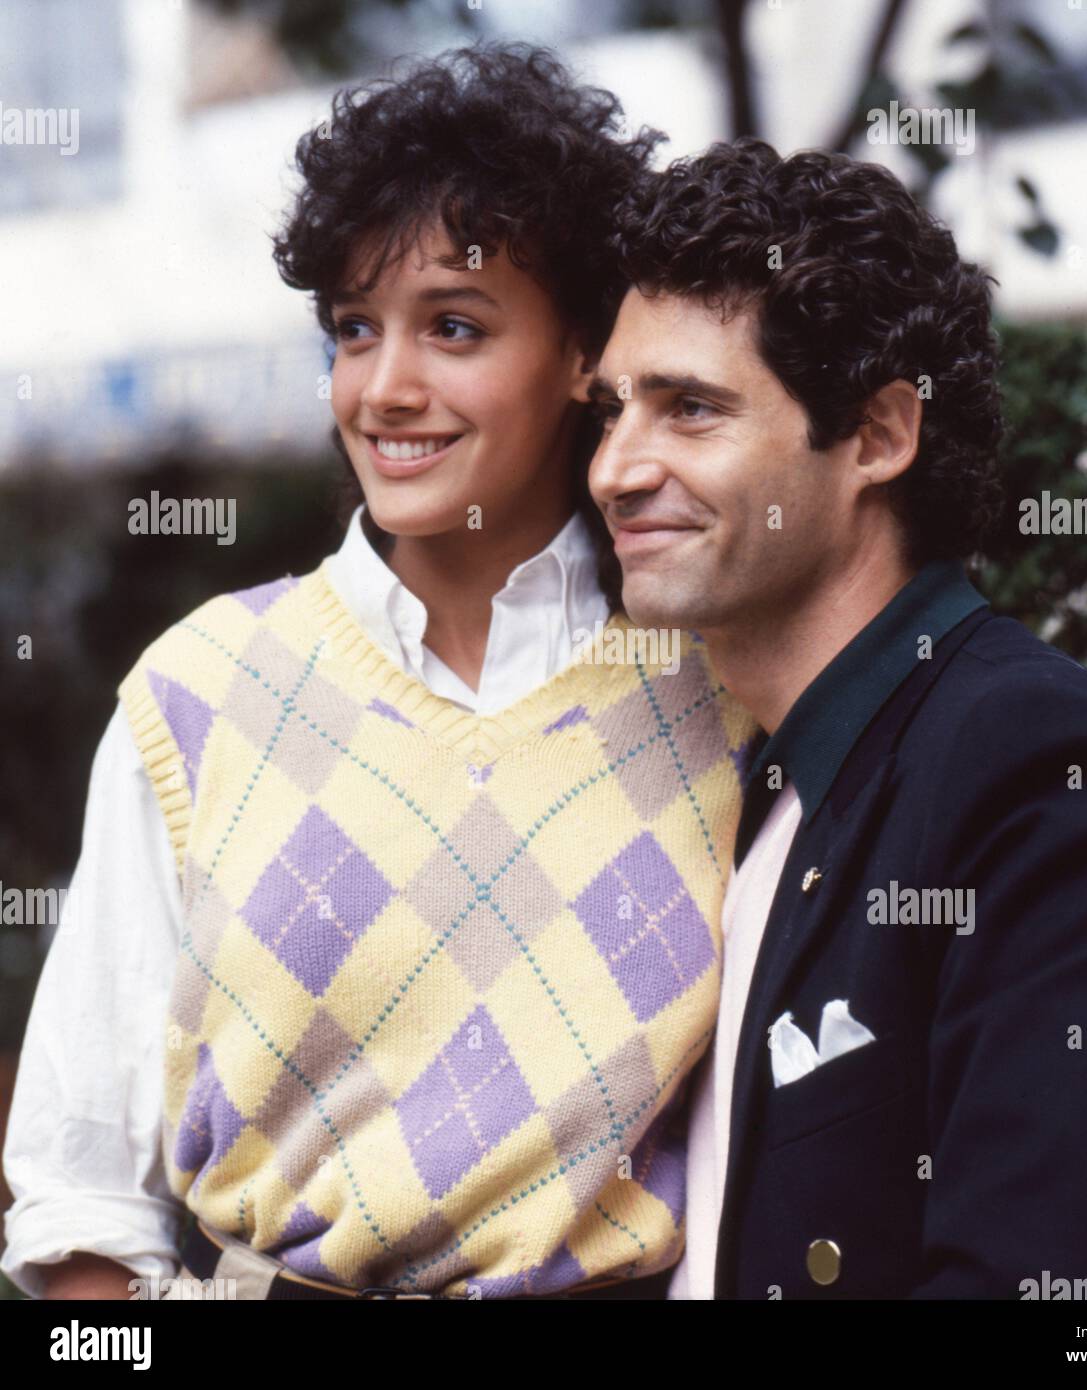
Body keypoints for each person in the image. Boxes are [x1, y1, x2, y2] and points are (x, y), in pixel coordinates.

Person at [1, 45, 755, 1301]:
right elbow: (72, 1195)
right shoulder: (197, 694)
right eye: (356, 328)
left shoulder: (719, 695)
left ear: (583, 356)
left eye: (453, 326)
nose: (385, 390)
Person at [587, 137, 1087, 1299]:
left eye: (690, 409)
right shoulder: (724, 771)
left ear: (881, 435)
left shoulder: (1041, 766)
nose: (616, 469)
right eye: (612, 410)